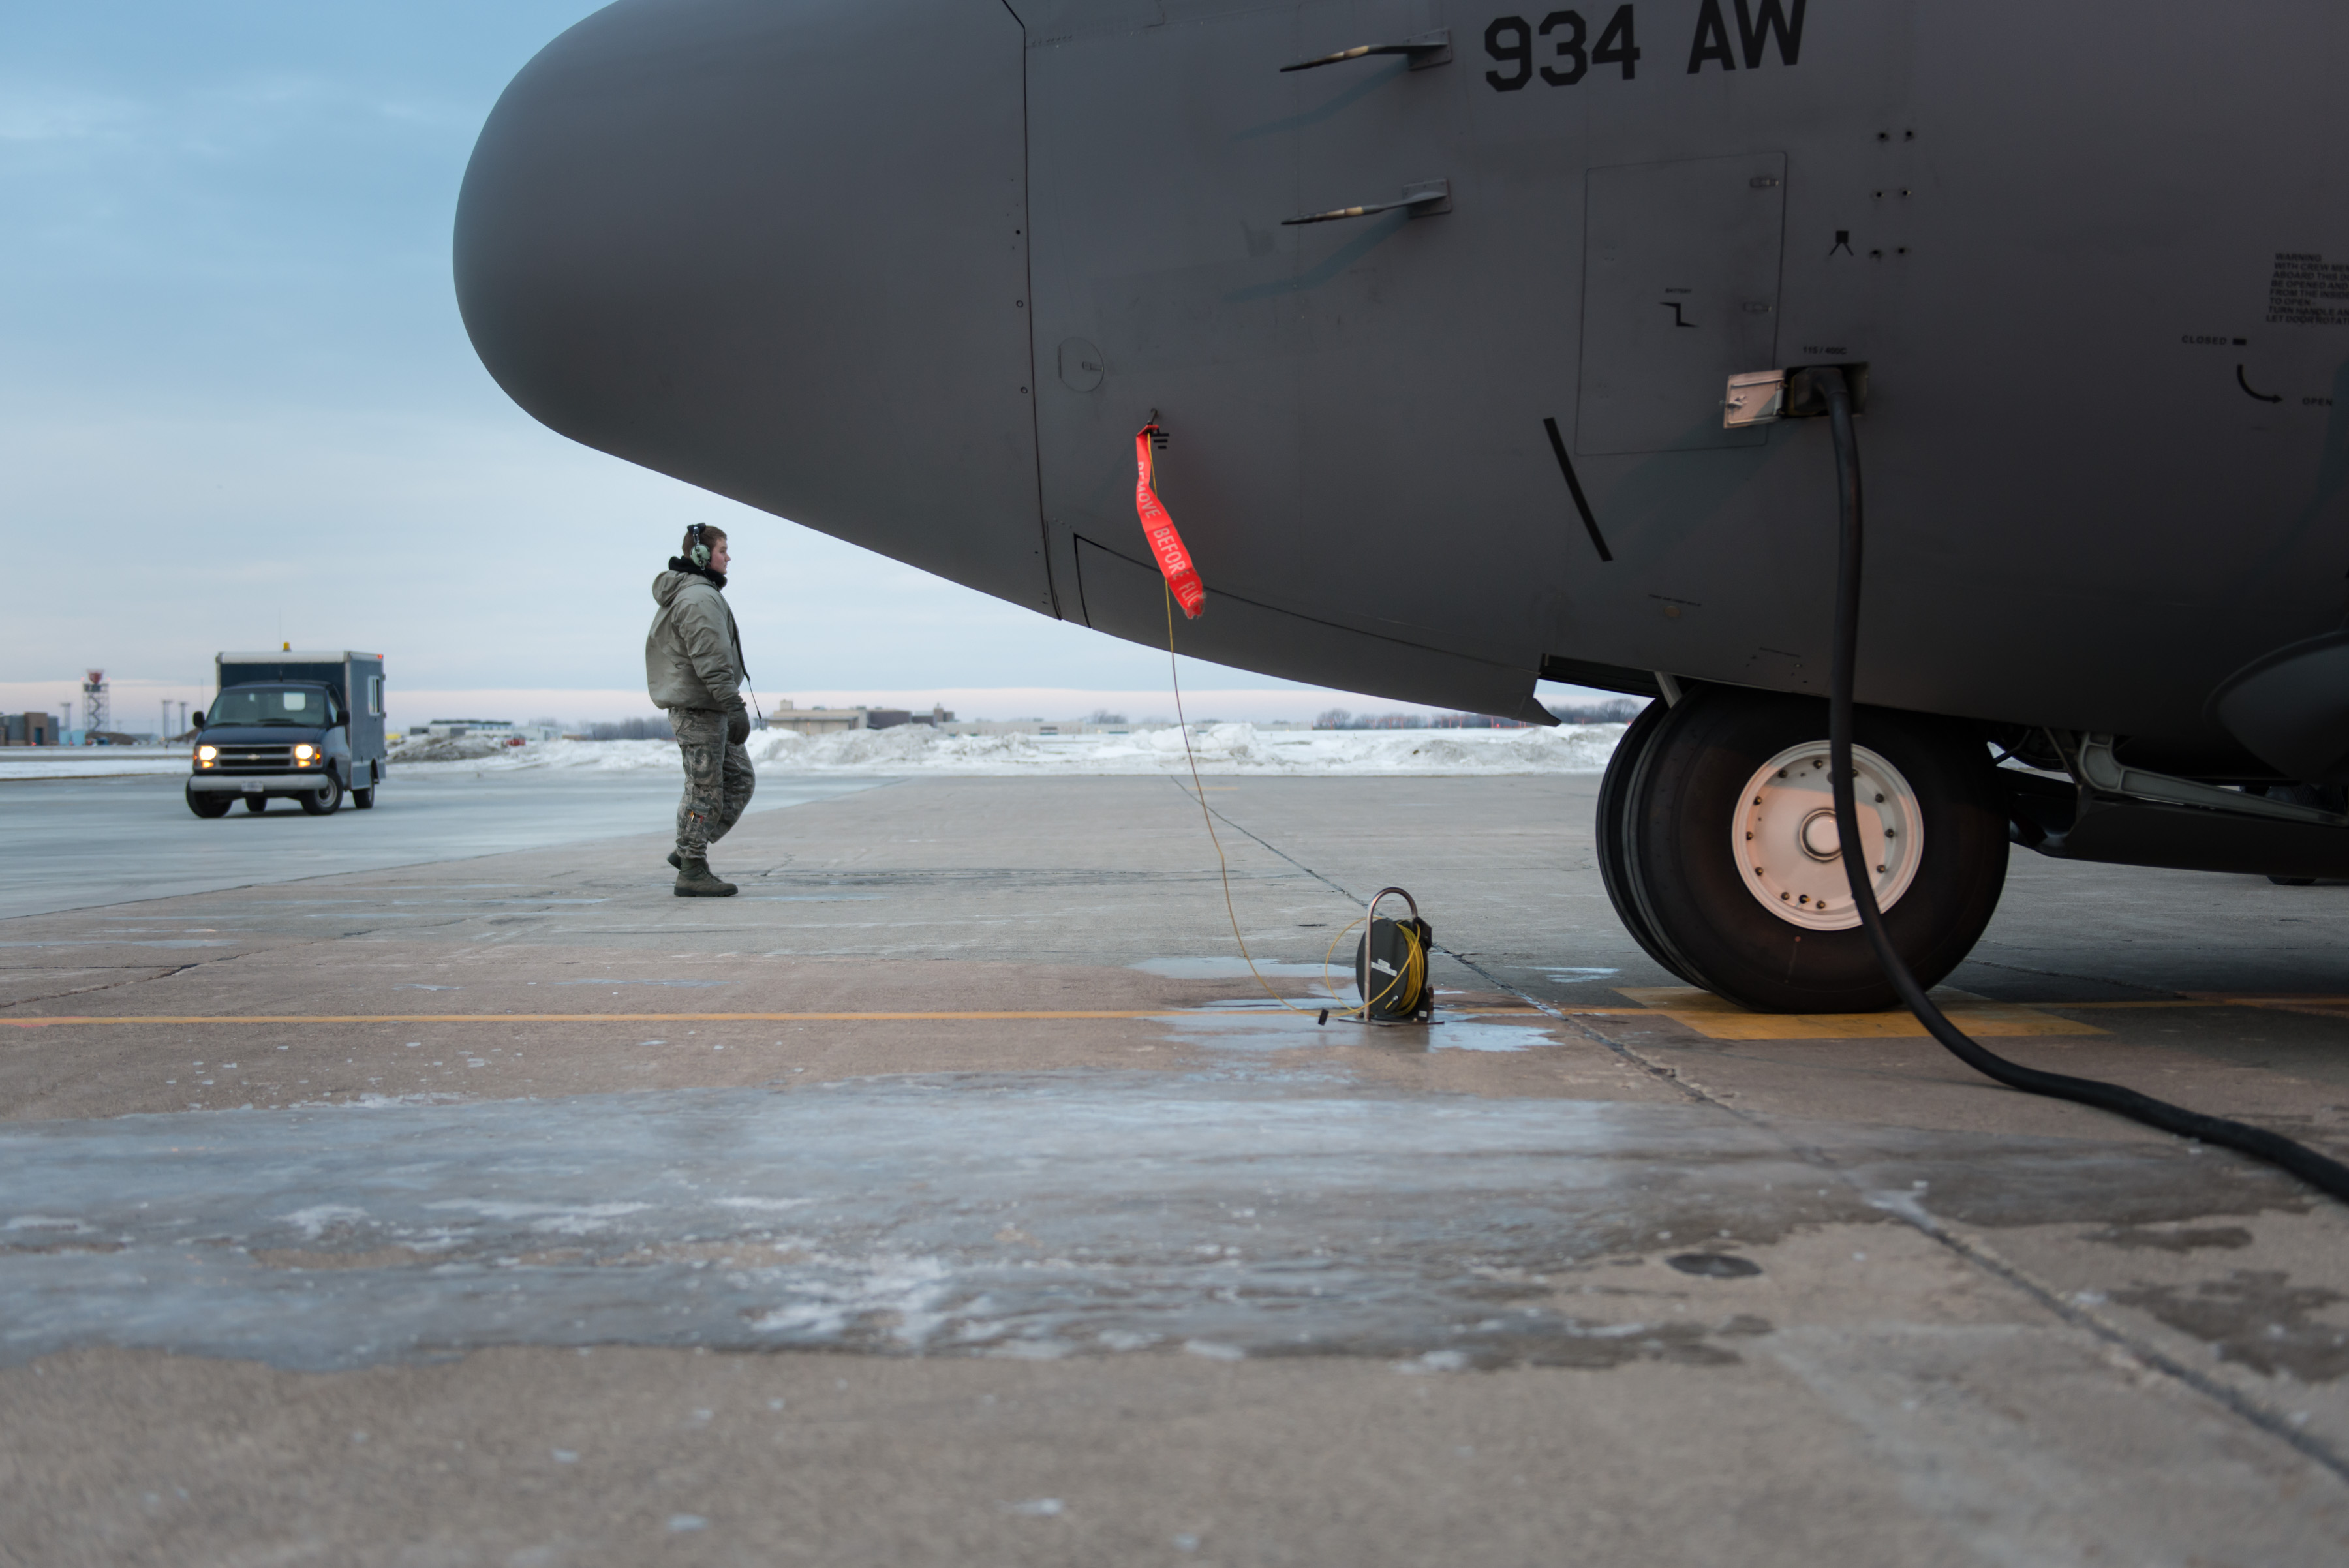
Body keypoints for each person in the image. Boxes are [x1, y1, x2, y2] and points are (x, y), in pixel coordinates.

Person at [645, 523, 754, 895]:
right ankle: (691, 868)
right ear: (702, 555)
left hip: (711, 706)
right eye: (723, 550)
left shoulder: (702, 594)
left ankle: (688, 848)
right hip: (699, 709)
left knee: (739, 780)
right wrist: (734, 705)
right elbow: (711, 660)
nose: (728, 557)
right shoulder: (698, 599)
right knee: (703, 790)